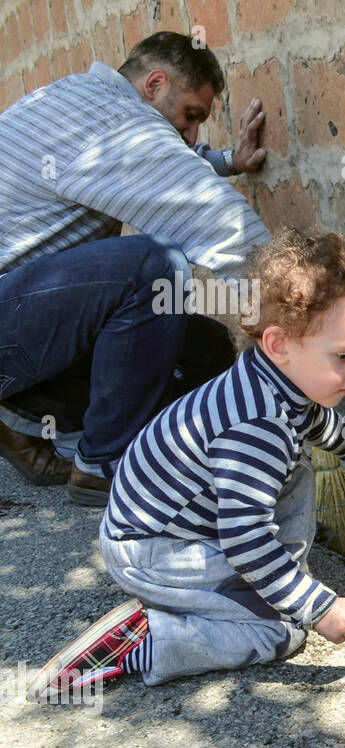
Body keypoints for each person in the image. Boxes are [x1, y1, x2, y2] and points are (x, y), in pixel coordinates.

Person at [26, 230, 345, 700]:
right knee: (280, 632)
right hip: (160, 553)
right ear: (279, 343)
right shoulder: (256, 428)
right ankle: (147, 640)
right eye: (344, 355)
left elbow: (320, 424)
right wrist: (319, 609)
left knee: (291, 490)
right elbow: (247, 537)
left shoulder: (269, 380)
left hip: (165, 530)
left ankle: (233, 593)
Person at [0, 32, 272, 505]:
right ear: (154, 84)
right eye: (190, 116)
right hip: (12, 319)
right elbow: (208, 216)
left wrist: (228, 161)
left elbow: (162, 159)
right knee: (153, 265)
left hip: (21, 315)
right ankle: (104, 464)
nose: (191, 135)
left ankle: (36, 417)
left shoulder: (83, 102)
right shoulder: (107, 120)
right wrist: (291, 305)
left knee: (205, 348)